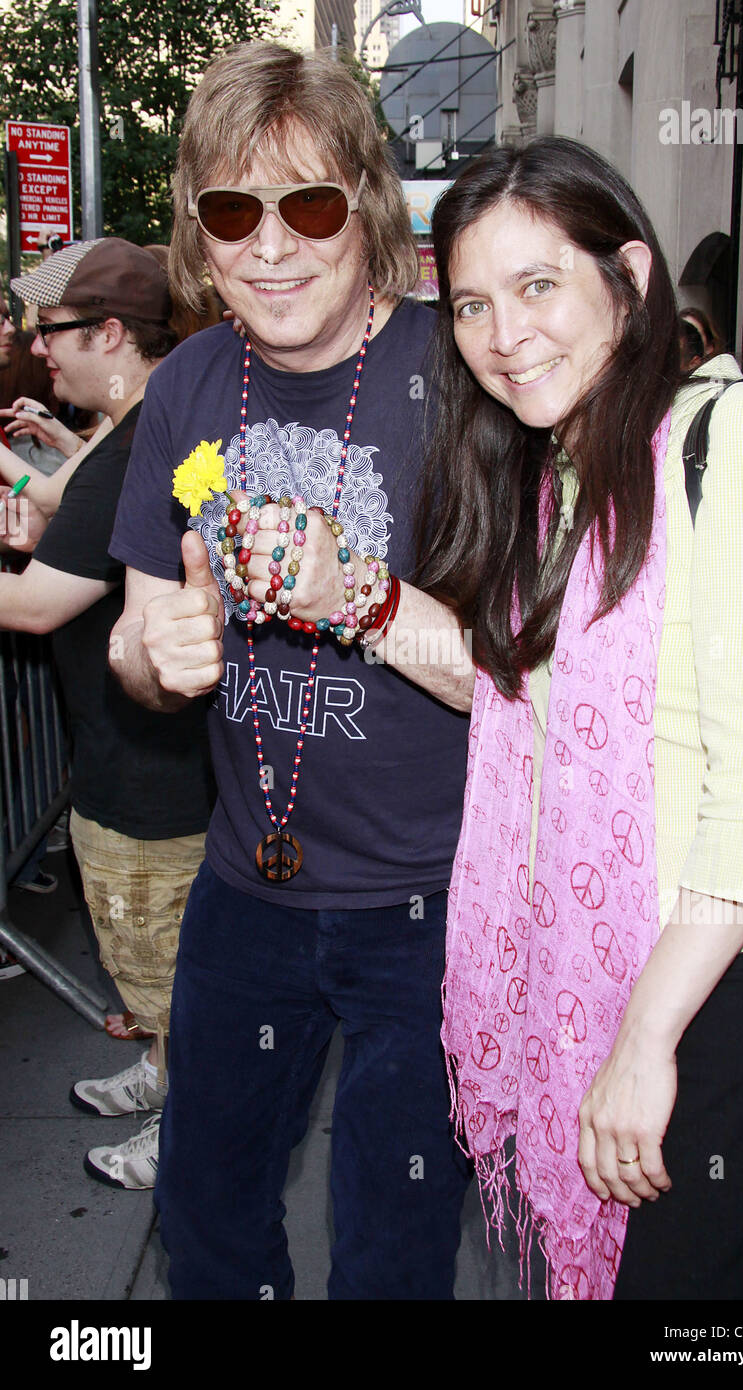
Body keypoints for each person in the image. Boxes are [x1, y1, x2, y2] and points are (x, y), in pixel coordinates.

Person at [397, 137, 743, 1300]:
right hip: (593, 984)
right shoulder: (551, 483)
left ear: (628, 277)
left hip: (726, 992)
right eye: (475, 304)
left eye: (539, 285)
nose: (504, 335)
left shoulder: (742, 438)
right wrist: (356, 594)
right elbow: (512, 700)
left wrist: (643, 1043)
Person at [108, 41, 471, 1301]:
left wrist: (361, 597)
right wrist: (157, 657)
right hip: (245, 891)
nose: (271, 245)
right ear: (199, 239)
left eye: (308, 204)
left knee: (392, 1252)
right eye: (231, 210)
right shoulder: (191, 384)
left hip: (430, 907)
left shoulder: (466, 380)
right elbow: (135, 633)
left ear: (365, 208)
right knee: (206, 1222)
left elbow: (526, 686)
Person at [2, 237, 215, 1187]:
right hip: (134, 758)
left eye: (52, 332)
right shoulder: (131, 427)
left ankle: (188, 1131)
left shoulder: (139, 442)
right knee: (149, 961)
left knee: (169, 969)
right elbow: (53, 510)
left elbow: (39, 603)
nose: (40, 349)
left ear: (114, 334)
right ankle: (162, 1074)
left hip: (150, 774)